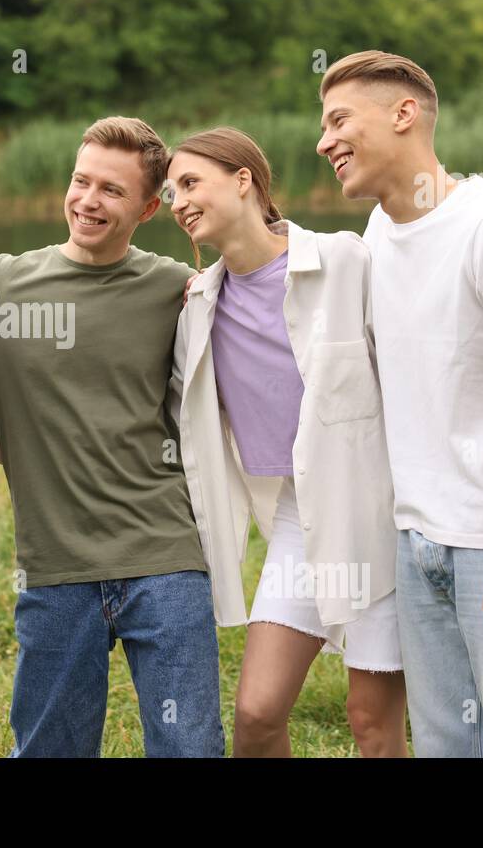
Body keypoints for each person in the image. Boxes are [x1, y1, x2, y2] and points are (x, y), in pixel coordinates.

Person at [317, 50, 483, 757]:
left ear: (404, 113)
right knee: (448, 747)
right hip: (419, 544)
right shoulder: (380, 231)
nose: (324, 141)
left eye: (340, 119)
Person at [0, 116, 225, 757]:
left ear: (148, 206)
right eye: (81, 181)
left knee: (189, 746)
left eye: (111, 190)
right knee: (51, 747)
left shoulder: (173, 288)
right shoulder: (0, 285)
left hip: (164, 553)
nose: (88, 200)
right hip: (54, 564)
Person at [167, 127, 405, 757]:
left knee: (371, 722)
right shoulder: (198, 305)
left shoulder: (344, 260)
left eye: (190, 183)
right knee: (258, 710)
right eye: (170, 192)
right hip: (299, 514)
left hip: (380, 509)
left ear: (243, 179)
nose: (177, 201)